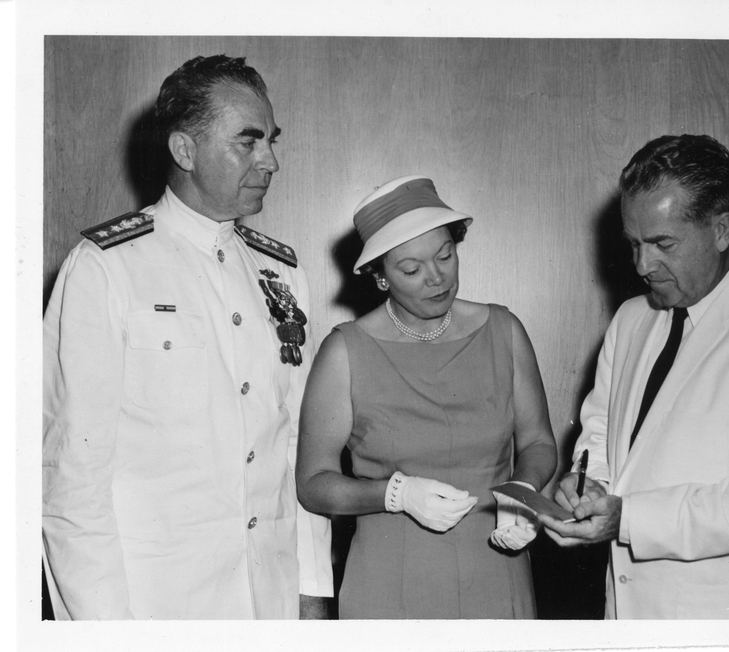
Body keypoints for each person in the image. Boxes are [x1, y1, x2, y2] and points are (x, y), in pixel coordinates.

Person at [42, 54, 332, 620]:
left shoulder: (281, 274)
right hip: (159, 605)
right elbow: (71, 483)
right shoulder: (106, 269)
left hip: (270, 599)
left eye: (271, 140)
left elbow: (298, 447)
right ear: (184, 150)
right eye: (247, 142)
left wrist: (312, 591)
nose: (270, 160)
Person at [538, 135, 729, 619]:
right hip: (624, 617)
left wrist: (626, 519)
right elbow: (601, 433)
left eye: (661, 244)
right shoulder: (631, 320)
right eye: (633, 244)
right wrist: (585, 484)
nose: (642, 265)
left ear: (721, 229)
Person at [296, 175, 557, 619]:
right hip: (389, 581)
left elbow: (538, 443)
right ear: (379, 277)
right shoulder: (345, 351)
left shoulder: (504, 330)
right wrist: (394, 494)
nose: (436, 278)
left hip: (495, 570)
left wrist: (523, 494)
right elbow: (313, 484)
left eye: (445, 255)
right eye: (412, 269)